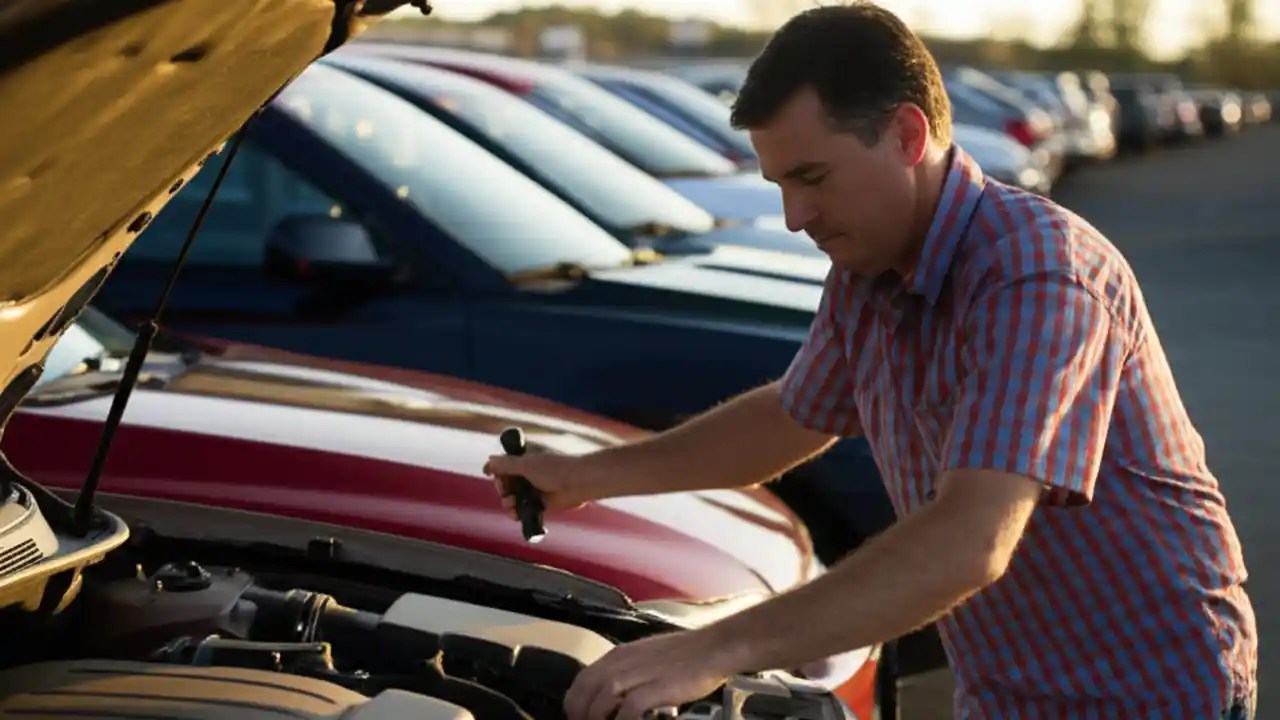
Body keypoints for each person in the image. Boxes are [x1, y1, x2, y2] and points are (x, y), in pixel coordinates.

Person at [483, 3, 1257, 718]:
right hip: (1006, 691)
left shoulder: (1036, 273)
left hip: (1149, 691)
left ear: (908, 136)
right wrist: (591, 476)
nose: (793, 217)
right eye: (780, 184)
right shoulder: (867, 263)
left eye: (812, 178)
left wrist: (712, 650)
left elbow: (969, 540)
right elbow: (794, 415)